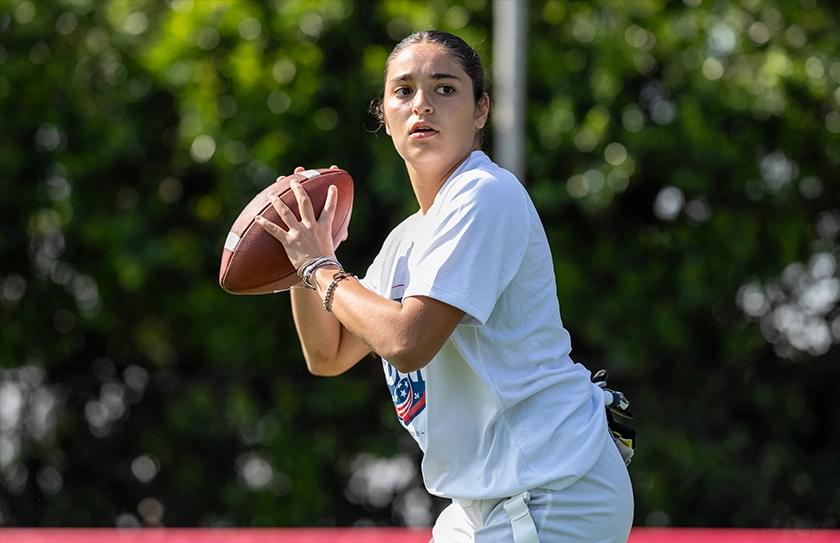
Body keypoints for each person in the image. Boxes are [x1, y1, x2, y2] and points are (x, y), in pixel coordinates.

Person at [256, 30, 633, 543]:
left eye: (445, 88)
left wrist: (318, 266)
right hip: (485, 502)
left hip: (553, 489)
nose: (422, 105)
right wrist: (298, 258)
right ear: (383, 116)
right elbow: (328, 353)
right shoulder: (406, 238)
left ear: (481, 111)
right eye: (404, 91)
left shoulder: (484, 193)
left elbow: (407, 343)